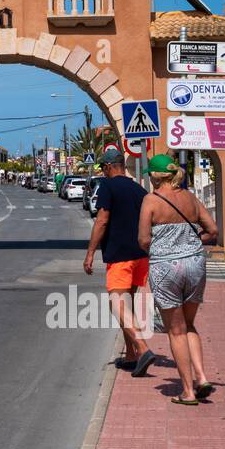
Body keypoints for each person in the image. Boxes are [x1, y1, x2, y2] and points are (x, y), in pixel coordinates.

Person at [137, 153, 219, 405]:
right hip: (195, 263)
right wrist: (191, 242)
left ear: (155, 176)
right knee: (190, 324)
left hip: (166, 268)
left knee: (176, 330)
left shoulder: (151, 200)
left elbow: (143, 240)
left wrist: (162, 248)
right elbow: (212, 230)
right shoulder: (191, 198)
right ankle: (202, 377)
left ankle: (187, 391)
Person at [83, 148, 155, 376]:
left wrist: (90, 253)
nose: (103, 173)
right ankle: (132, 356)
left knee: (117, 304)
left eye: (103, 169)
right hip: (140, 255)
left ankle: (142, 348)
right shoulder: (139, 189)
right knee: (128, 304)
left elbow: (102, 221)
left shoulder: (108, 186)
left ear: (108, 167)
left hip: (121, 257)